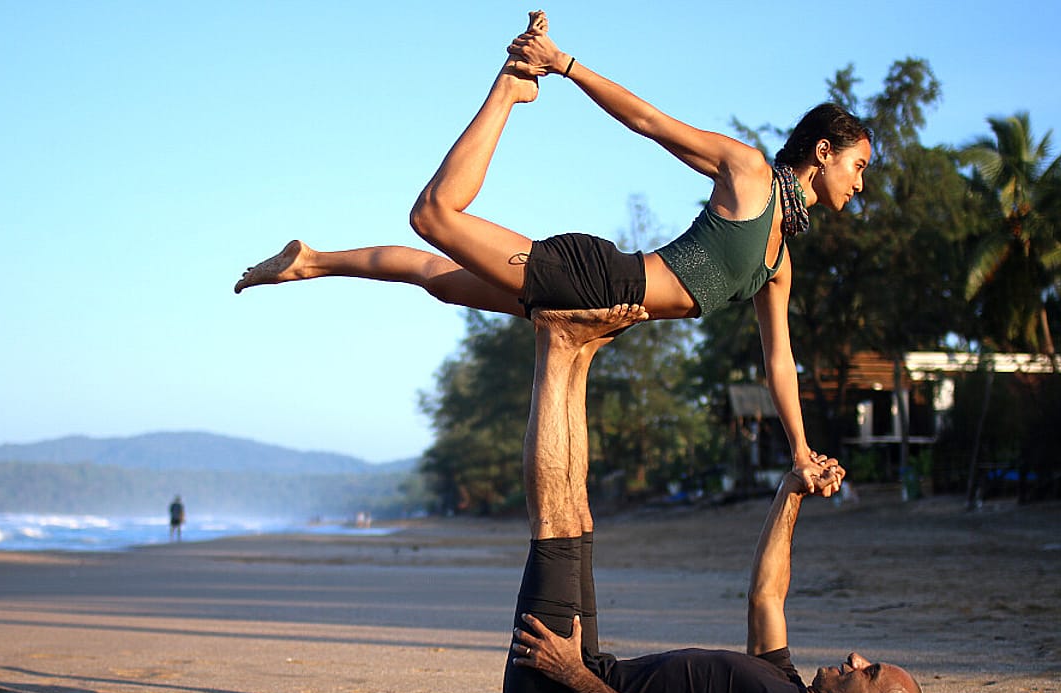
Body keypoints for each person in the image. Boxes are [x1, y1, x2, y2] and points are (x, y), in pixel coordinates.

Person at [233, 11, 872, 491]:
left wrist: (800, 449)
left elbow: (779, 361)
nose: (860, 182)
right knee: (433, 216)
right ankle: (510, 90)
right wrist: (564, 64)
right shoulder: (748, 171)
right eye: (858, 165)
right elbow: (650, 122)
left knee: (440, 280)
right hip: (598, 281)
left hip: (600, 309)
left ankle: (312, 261)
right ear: (824, 152)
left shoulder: (778, 260)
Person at [501, 305, 924, 693]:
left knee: (557, 525)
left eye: (871, 672)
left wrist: (573, 676)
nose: (857, 659)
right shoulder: (787, 686)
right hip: (585, 672)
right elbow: (767, 595)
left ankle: (556, 340)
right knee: (578, 515)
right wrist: (792, 490)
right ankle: (578, 356)